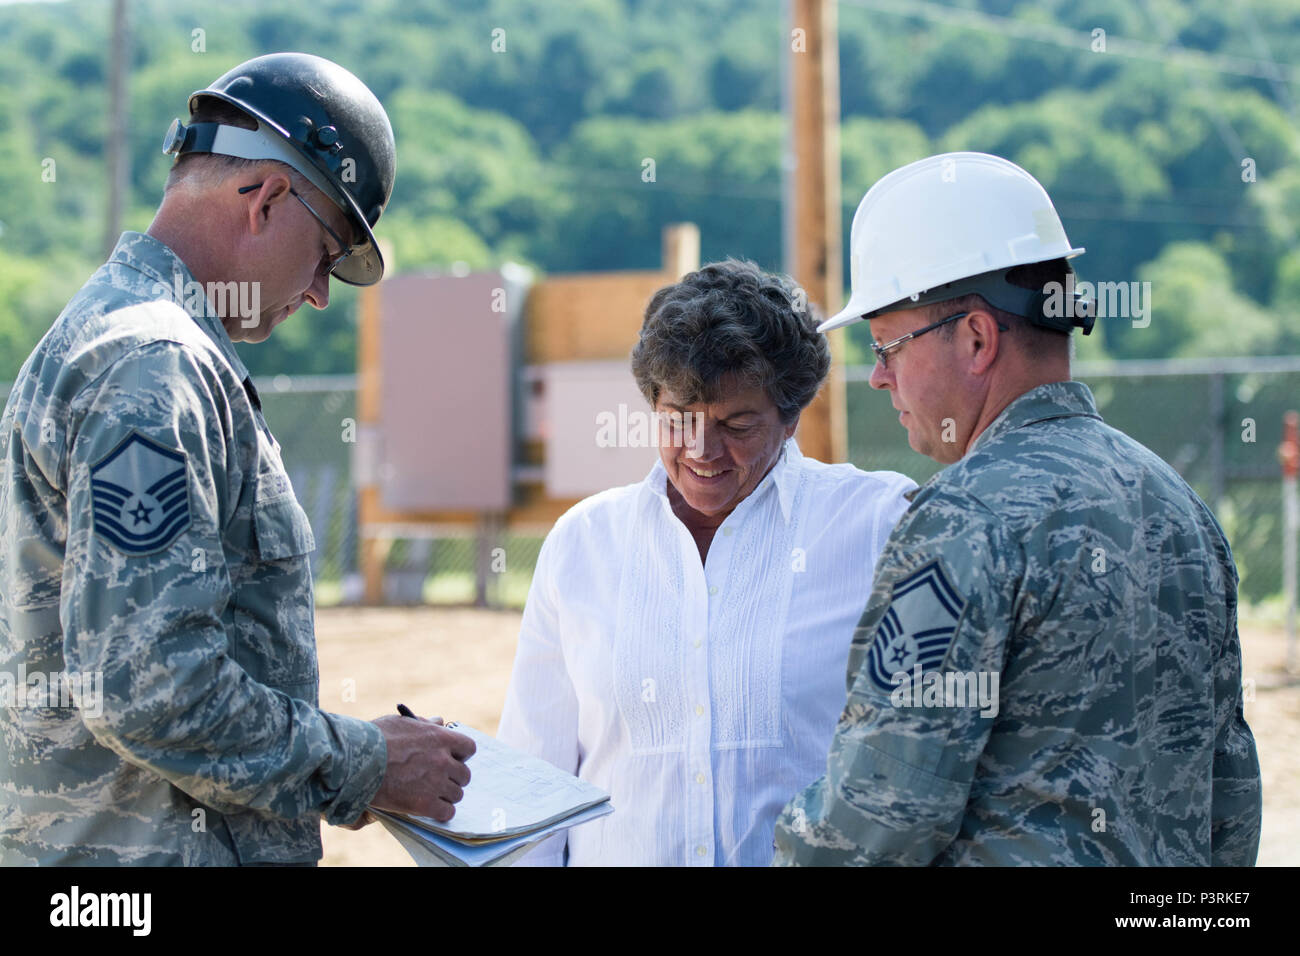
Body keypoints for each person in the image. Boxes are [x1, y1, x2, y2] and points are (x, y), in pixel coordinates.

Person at [0, 53, 473, 866]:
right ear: (266, 199)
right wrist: (371, 764)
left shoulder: (127, 339)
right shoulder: (155, 364)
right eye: (327, 255)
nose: (321, 292)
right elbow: (149, 689)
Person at [772, 151, 1262, 866]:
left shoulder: (961, 520)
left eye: (887, 345)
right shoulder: (1181, 509)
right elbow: (1230, 800)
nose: (879, 377)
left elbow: (878, 818)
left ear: (976, 338)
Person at [496, 259, 916, 866]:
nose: (701, 451)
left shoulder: (877, 527)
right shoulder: (583, 544)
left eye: (737, 424)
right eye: (678, 419)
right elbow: (536, 781)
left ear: (792, 416)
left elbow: (919, 771)